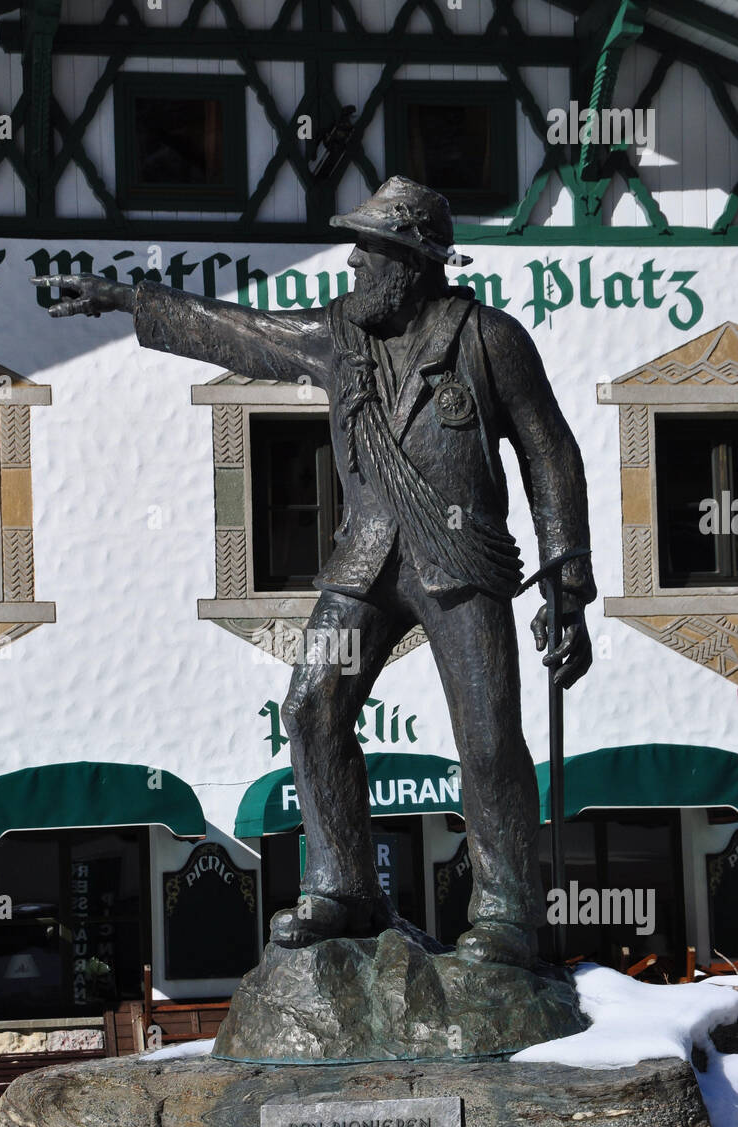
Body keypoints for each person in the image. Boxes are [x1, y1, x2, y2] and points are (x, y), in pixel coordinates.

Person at [33, 175, 595, 968]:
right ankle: (345, 888)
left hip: (460, 565)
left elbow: (549, 450)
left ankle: (503, 910)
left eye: (368, 256)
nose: (354, 271)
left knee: (489, 736)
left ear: (412, 262)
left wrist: (565, 577)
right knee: (310, 709)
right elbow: (235, 329)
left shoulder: (487, 339)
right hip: (365, 564)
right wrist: (126, 299)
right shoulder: (339, 337)